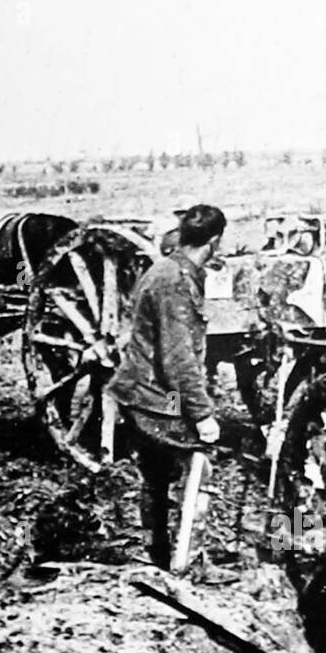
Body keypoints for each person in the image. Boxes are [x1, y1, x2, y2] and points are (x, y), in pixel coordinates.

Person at [111, 203, 226, 574]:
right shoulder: (176, 281)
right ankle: (188, 563)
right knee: (201, 457)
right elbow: (179, 359)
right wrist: (203, 415)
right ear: (214, 242)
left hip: (144, 390)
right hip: (155, 395)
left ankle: (158, 555)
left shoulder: (165, 270)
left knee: (156, 476)